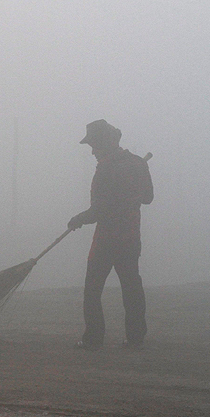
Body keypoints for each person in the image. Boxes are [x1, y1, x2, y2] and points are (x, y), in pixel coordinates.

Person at [68, 119, 153, 351]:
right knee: (132, 287)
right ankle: (136, 338)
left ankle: (93, 338)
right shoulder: (137, 164)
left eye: (95, 146)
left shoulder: (106, 170)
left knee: (93, 289)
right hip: (131, 238)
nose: (93, 152)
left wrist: (78, 220)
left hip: (106, 240)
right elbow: (148, 198)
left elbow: (98, 211)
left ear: (106, 143)